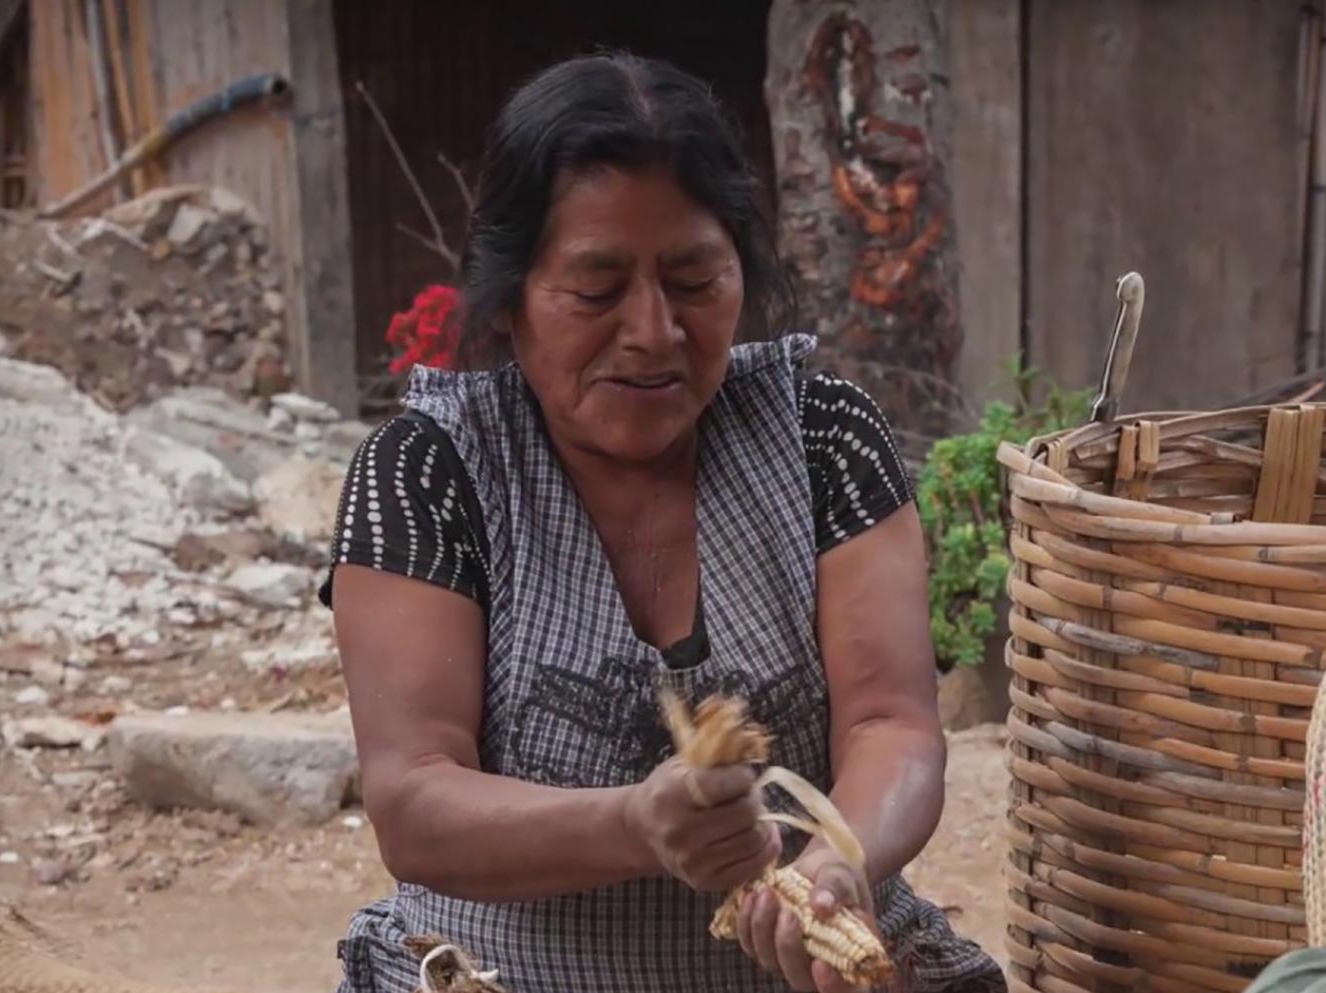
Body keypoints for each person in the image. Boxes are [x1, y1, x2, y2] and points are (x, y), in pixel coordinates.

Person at [320, 52, 1006, 993]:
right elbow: (413, 798)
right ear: (511, 296)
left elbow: (894, 724)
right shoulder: (430, 472)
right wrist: (635, 825)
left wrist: (838, 863)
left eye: (692, 280)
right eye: (596, 290)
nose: (651, 330)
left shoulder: (824, 442)